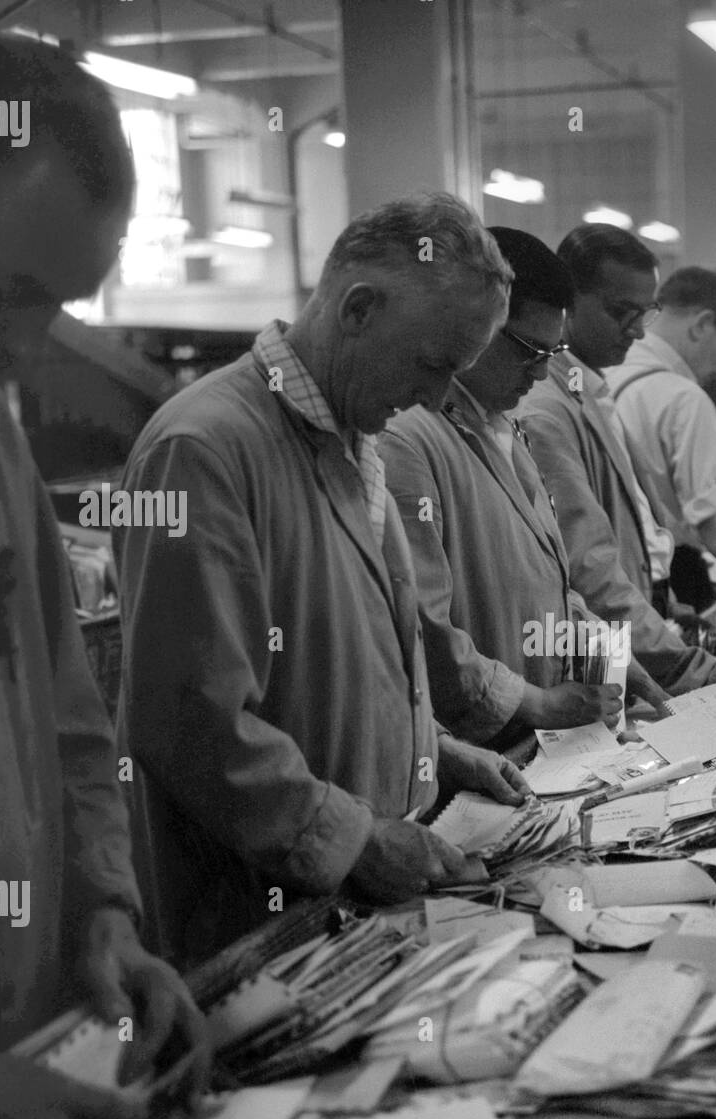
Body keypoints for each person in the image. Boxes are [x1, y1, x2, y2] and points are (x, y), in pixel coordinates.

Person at [116, 194, 531, 972]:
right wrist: (356, 838)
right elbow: (189, 719)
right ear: (358, 309)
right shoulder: (203, 450)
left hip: (358, 909)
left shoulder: (353, 439)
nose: (439, 400)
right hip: (256, 922)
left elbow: (335, 666)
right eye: (434, 364)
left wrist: (431, 750)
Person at [0, 35, 208, 1119]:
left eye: (59, 308)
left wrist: (107, 917)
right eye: (11, 293)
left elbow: (72, 722)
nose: (28, 348)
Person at [382, 227, 666, 750]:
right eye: (529, 351)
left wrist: (611, 654)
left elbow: (553, 583)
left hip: (538, 742)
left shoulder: (501, 423)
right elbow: (425, 627)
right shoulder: (409, 438)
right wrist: (532, 702)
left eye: (553, 351)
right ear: (477, 326)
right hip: (479, 751)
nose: (541, 371)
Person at [517, 225, 716, 703]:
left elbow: (629, 525)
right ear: (565, 302)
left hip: (638, 631)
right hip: (612, 648)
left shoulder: (591, 387)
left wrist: (665, 602)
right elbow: (587, 564)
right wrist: (680, 661)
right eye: (620, 312)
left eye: (644, 312)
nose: (635, 328)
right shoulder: (548, 408)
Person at [606, 266, 716, 612]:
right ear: (702, 324)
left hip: (610, 582)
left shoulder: (604, 372)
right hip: (670, 579)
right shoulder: (685, 399)